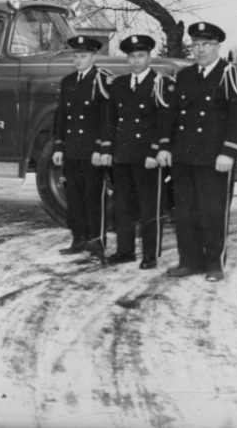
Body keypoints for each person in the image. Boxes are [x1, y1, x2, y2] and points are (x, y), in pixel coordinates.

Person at [157, 21, 237, 282]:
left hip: (215, 157)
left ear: (217, 46)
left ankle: (214, 264)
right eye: (196, 45)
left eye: (206, 45)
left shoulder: (232, 74)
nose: (200, 50)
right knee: (185, 212)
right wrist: (165, 146)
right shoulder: (185, 76)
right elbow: (171, 114)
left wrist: (229, 152)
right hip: (184, 155)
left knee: (213, 211)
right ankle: (189, 261)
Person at [99, 34, 171, 269]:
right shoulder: (119, 84)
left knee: (150, 207)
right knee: (123, 206)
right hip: (122, 155)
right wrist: (108, 148)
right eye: (132, 56)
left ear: (149, 57)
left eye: (141, 56)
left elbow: (164, 122)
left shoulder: (160, 83)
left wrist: (155, 151)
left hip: (146, 156)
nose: (136, 61)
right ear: (127, 59)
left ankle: (150, 254)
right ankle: (125, 250)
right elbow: (110, 119)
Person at [52, 35, 112, 258]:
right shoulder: (68, 82)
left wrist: (101, 147)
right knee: (75, 198)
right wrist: (58, 146)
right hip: (72, 150)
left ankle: (97, 242)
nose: (78, 60)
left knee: (94, 197)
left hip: (92, 150)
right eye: (75, 56)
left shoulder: (102, 80)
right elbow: (62, 117)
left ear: (93, 57)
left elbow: (107, 118)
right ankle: (78, 239)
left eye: (83, 56)